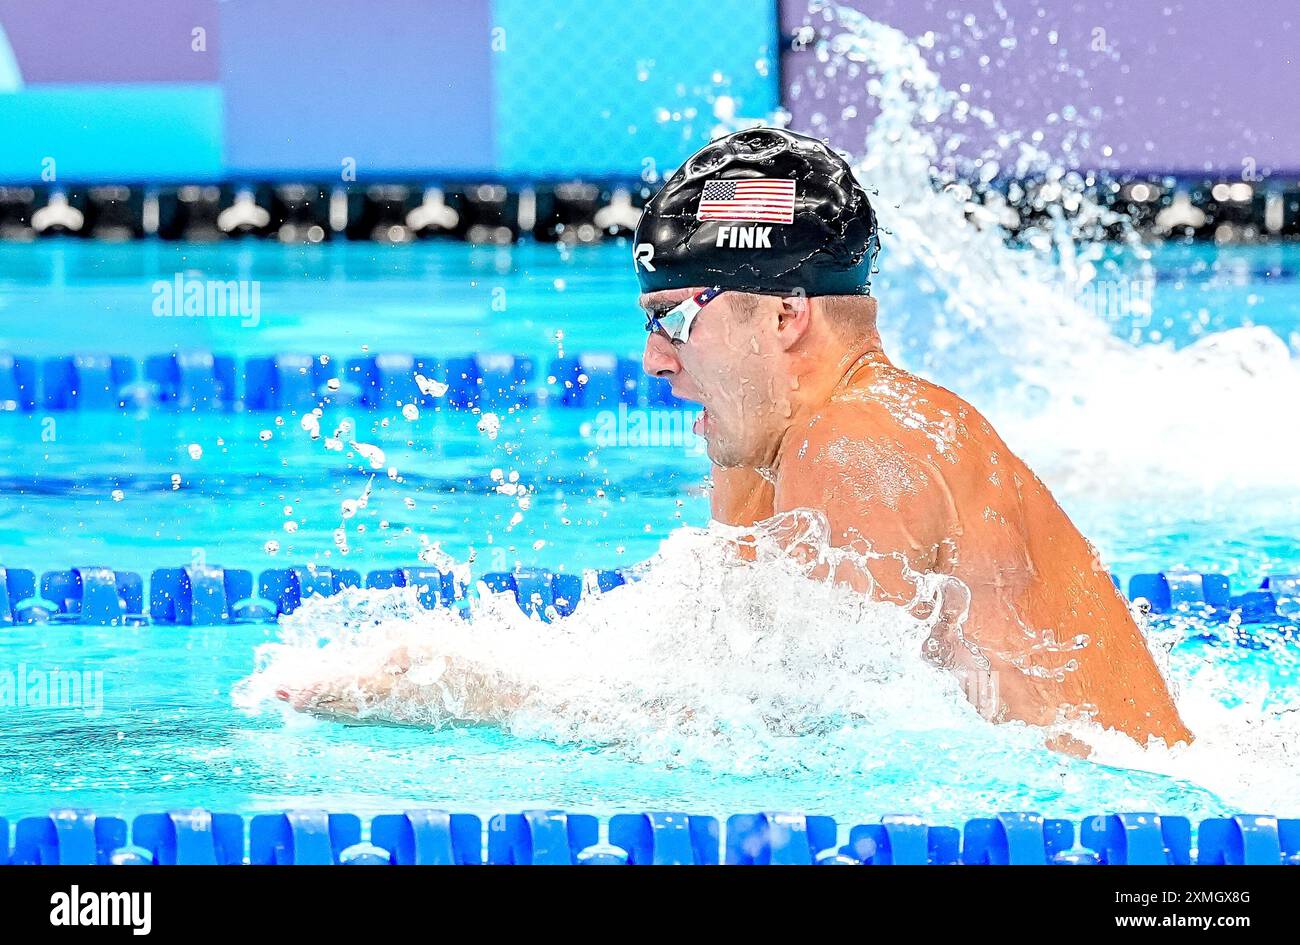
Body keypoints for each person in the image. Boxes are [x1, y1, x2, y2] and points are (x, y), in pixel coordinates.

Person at [284, 127, 1191, 749]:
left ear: (789, 313)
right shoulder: (789, 440)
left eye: (674, 322)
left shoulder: (854, 446)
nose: (649, 362)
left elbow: (803, 736)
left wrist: (465, 688)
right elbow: (726, 675)